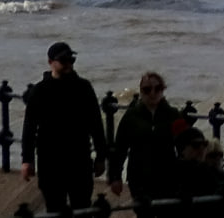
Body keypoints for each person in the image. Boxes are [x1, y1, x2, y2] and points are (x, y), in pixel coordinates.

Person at [20, 41, 109, 213]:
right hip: (50, 162)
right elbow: (29, 128)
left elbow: (96, 124)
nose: (68, 64)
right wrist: (27, 160)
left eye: (71, 60)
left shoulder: (83, 87)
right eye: (63, 60)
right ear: (50, 62)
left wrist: (100, 156)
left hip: (79, 159)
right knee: (54, 208)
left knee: (82, 207)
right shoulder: (40, 91)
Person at [110, 70, 187, 209]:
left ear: (163, 90)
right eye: (147, 90)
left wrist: (187, 175)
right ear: (141, 91)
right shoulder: (131, 116)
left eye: (157, 89)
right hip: (139, 177)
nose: (152, 93)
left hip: (167, 176)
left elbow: (185, 146)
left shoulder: (173, 115)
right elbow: (120, 148)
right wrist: (115, 177)